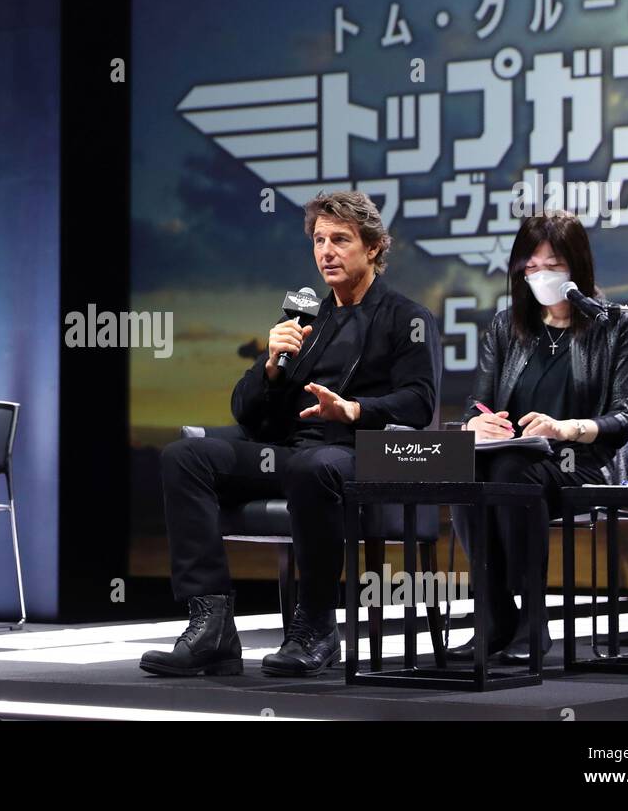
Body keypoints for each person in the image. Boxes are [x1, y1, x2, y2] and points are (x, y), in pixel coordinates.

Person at [140, 191, 441, 678]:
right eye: (319, 240)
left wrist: (353, 410)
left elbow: (420, 401)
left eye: (340, 239)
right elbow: (246, 412)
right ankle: (212, 624)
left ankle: (317, 626)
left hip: (361, 456)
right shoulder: (306, 322)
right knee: (184, 457)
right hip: (294, 456)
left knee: (314, 464)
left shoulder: (406, 318)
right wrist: (271, 368)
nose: (326, 251)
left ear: (374, 248)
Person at [451, 209, 628, 664]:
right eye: (531, 266)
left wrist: (567, 429)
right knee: (472, 465)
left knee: (510, 469)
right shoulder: (506, 326)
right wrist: (474, 425)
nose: (540, 275)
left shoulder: (615, 325)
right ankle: (496, 613)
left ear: (577, 266)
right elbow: (476, 405)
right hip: (515, 460)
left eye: (553, 265)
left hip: (586, 463)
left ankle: (532, 620)